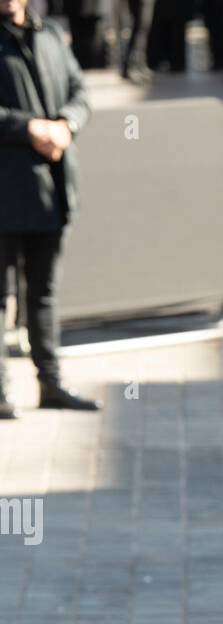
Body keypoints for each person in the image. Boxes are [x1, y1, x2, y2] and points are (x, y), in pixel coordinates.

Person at [0, 0, 100, 417]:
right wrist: (28, 128)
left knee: (44, 293)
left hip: (52, 191)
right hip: (6, 191)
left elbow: (79, 91)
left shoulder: (51, 35)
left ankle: (51, 382)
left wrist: (66, 124)